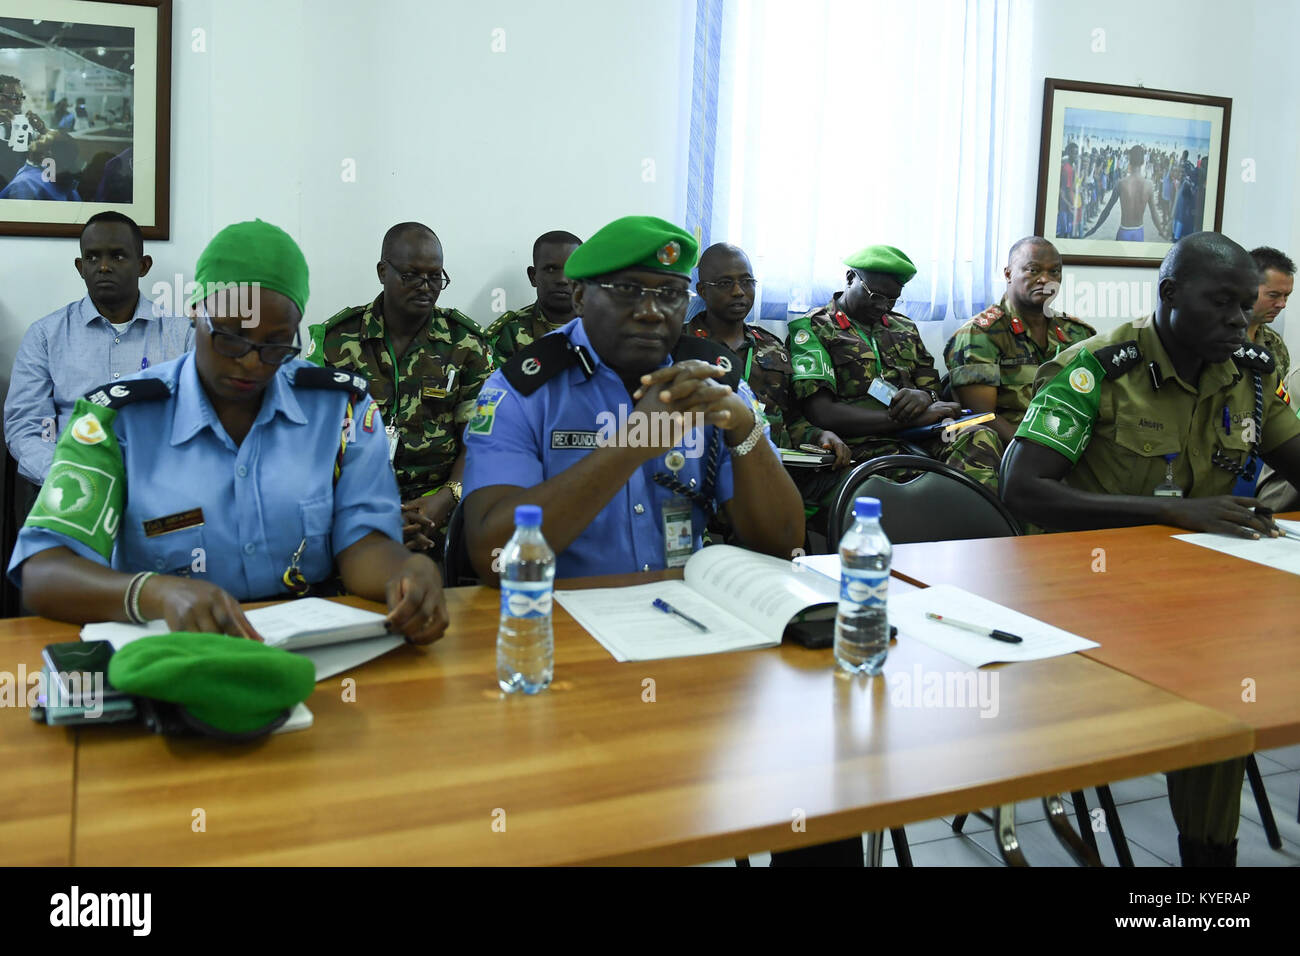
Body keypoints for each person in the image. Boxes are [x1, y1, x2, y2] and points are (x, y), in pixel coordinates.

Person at [1001, 232, 1300, 867]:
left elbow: (1292, 455)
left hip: (1203, 593)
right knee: (1218, 696)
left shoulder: (1246, 369)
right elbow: (1024, 489)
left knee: (1236, 685)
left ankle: (1207, 867)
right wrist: (1172, 510)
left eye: (1245, 305)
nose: (1236, 320)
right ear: (1168, 294)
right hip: (1089, 596)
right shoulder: (1096, 369)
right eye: (1220, 303)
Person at [7, 219, 447, 644]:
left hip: (306, 645)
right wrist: (154, 594)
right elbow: (43, 570)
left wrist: (404, 572)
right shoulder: (116, 419)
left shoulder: (340, 412)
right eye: (231, 337)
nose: (252, 362)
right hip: (168, 648)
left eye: (276, 344)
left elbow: (363, 542)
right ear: (195, 313)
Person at [461, 215, 804, 582]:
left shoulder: (711, 379)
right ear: (579, 296)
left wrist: (744, 426)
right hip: (562, 619)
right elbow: (495, 559)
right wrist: (635, 443)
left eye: (670, 294)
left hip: (687, 613)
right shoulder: (522, 389)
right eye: (627, 291)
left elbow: (785, 548)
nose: (651, 312)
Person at [307, 222, 495, 558]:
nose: (426, 287)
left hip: (442, 507)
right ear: (383, 271)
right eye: (411, 275)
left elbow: (482, 439)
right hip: (354, 504)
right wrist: (372, 511)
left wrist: (446, 497)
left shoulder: (465, 344)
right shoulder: (336, 341)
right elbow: (312, 441)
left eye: (435, 277)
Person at [787, 244, 1003, 519]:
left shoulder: (904, 328)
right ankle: (950, 536)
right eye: (876, 295)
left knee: (980, 437)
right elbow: (822, 413)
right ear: (851, 278)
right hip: (861, 447)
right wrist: (907, 420)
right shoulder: (813, 329)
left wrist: (925, 398)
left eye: (892, 299)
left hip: (920, 438)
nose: (882, 306)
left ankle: (978, 538)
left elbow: (933, 392)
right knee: (923, 490)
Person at [4, 212, 193, 517]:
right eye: (92, 257)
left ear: (143, 266)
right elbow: (26, 429)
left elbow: (198, 420)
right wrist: (72, 478)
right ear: (81, 267)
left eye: (117, 256)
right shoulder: (45, 336)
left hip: (160, 490)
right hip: (71, 493)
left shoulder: (183, 334)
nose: (103, 266)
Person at [686, 242, 851, 464]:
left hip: (771, 467)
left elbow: (790, 418)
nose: (738, 291)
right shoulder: (681, 344)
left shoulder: (772, 346)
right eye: (725, 283)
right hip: (703, 464)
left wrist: (819, 435)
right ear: (702, 291)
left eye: (747, 282)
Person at [944, 237, 1096, 449]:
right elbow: (983, 416)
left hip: (1071, 439)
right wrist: (1034, 451)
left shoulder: (1078, 333)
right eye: (1033, 271)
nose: (1045, 279)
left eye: (1054, 272)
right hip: (1012, 446)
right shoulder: (980, 334)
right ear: (1008, 274)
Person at [484, 231, 583, 360]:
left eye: (571, 269)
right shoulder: (507, 335)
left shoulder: (605, 326)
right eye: (551, 269)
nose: (562, 279)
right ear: (533, 276)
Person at [1082, 144, 1163, 242]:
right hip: (1139, 232)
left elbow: (1107, 210)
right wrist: (1161, 231)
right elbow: (1154, 214)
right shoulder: (1149, 185)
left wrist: (1095, 228)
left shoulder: (1121, 183)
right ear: (1143, 162)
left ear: (1129, 159)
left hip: (1124, 231)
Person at [1246, 246, 1293, 381]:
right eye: (1273, 295)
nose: (1282, 304)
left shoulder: (1274, 342)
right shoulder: (1220, 338)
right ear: (1246, 287)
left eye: (1286, 296)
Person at [0, 130, 80, 201]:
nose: (38, 136)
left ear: (47, 153)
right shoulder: (67, 186)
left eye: (42, 139)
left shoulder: (25, 184)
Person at [0, 73, 47, 188]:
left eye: (21, 97)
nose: (19, 102)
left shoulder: (25, 128)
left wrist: (43, 130)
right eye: (14, 97)